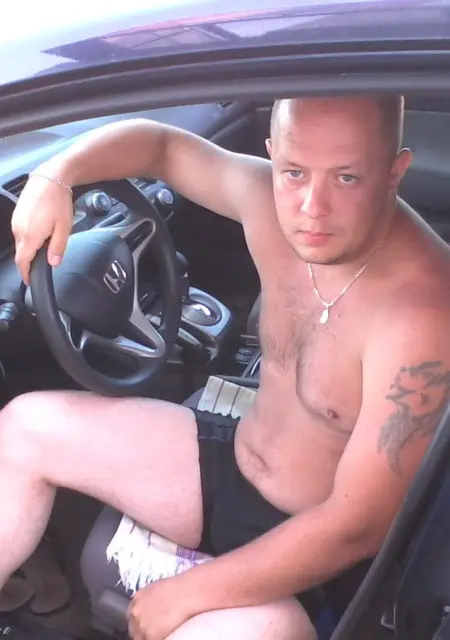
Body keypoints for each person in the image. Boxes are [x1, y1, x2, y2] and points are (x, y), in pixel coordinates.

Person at [3, 94, 450, 640]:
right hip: (233, 468)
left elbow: (357, 527)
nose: (312, 206)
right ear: (272, 153)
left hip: (320, 563)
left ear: (395, 171)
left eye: (347, 178)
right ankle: (45, 600)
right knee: (26, 427)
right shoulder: (269, 203)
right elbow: (162, 147)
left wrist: (184, 594)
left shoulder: (421, 314)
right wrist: (55, 176)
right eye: (294, 171)